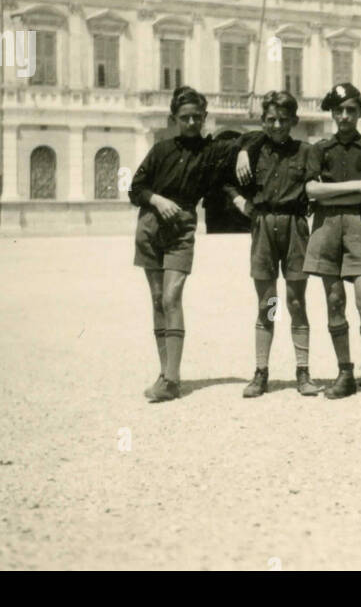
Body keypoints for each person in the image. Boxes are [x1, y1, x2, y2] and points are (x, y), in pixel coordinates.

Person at [128, 86, 239, 403]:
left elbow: (244, 144)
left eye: (196, 117)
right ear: (173, 118)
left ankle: (172, 378)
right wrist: (158, 200)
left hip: (182, 227)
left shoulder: (211, 152)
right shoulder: (161, 150)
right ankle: (164, 373)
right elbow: (136, 188)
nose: (191, 123)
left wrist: (242, 153)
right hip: (149, 225)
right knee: (157, 298)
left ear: (205, 118)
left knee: (173, 296)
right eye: (185, 117)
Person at [303, 83, 361, 407]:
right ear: (332, 113)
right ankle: (345, 372)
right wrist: (358, 185)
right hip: (327, 228)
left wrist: (335, 189)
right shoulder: (320, 148)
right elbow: (312, 191)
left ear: (359, 113)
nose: (345, 116)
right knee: (333, 300)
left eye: (351, 110)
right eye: (340, 110)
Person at [226, 91, 320, 398]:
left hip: (295, 226)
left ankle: (303, 372)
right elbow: (222, 176)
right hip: (263, 226)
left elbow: (318, 185)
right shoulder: (252, 150)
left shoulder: (306, 151)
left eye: (283, 119)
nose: (277, 125)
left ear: (294, 120)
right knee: (267, 304)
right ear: (262, 121)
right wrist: (239, 200)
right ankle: (261, 372)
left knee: (295, 302)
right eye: (270, 119)